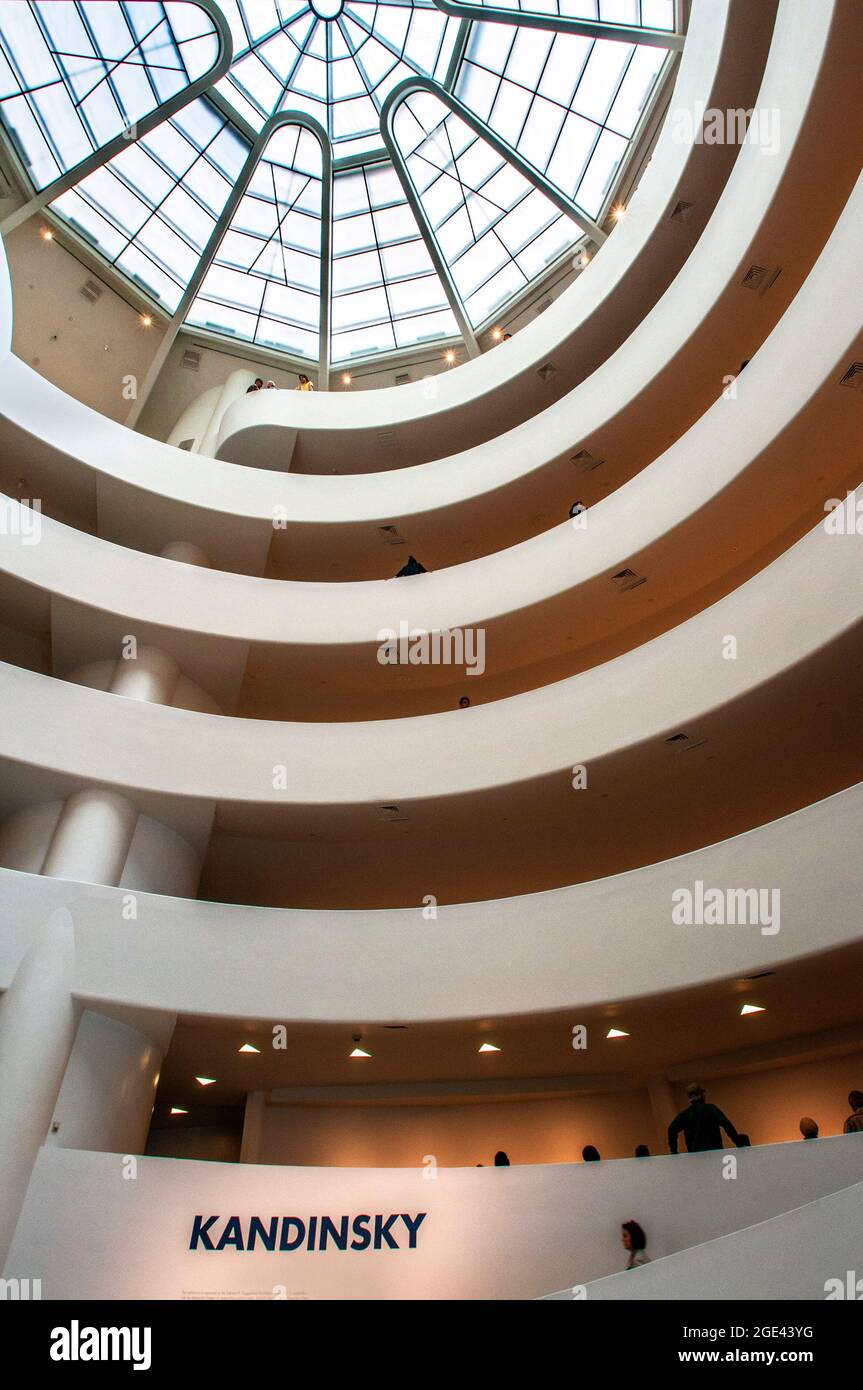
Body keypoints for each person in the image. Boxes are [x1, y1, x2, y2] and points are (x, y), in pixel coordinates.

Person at [668, 1082, 740, 1153]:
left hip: (695, 1156)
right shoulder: (710, 1109)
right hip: (715, 1152)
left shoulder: (685, 1114)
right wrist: (738, 1142)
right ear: (703, 1094)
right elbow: (726, 1124)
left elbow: (671, 1129)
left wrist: (674, 1151)